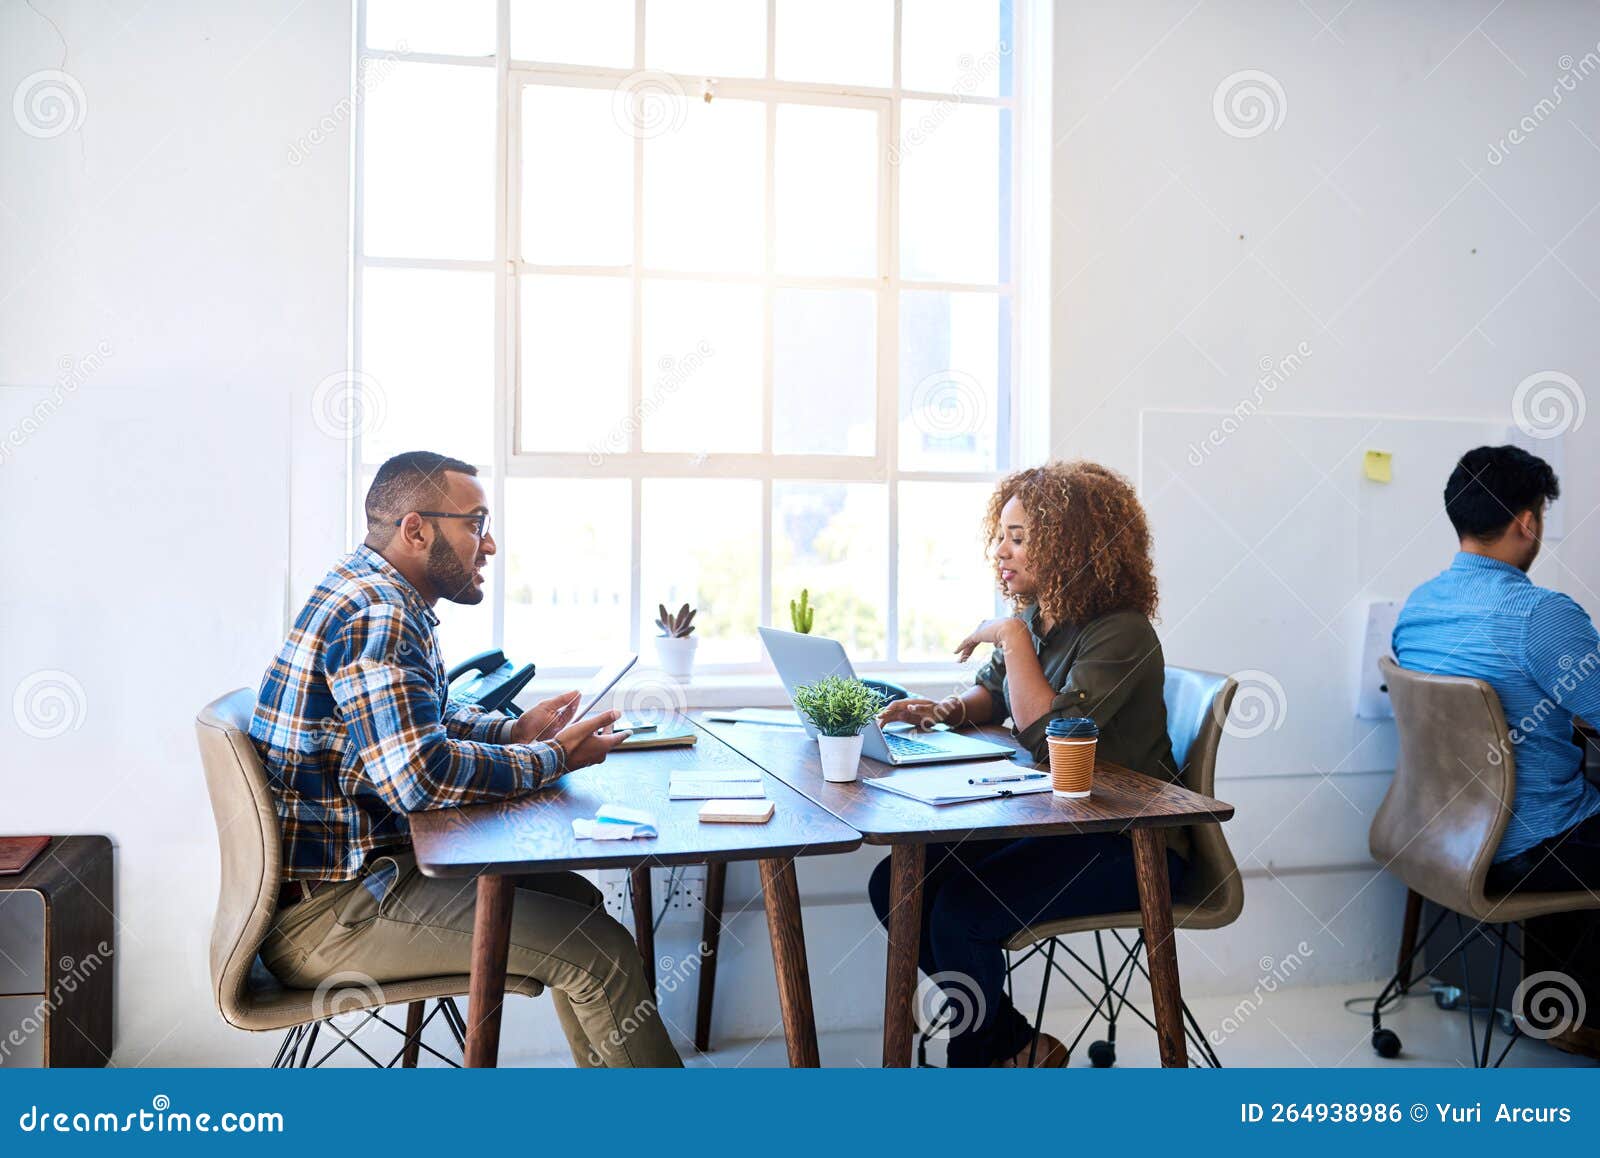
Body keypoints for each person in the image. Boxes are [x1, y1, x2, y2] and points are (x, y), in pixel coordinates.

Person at [250, 450, 681, 1067]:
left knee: (578, 905)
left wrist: (512, 735)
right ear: (416, 529)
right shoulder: (379, 614)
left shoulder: (371, 591)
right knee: (599, 950)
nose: (490, 544)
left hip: (358, 881)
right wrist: (553, 756)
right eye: (475, 523)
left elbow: (414, 722)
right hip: (330, 919)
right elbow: (418, 779)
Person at [869, 460, 1184, 1067]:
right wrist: (946, 710)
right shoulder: (1044, 615)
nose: (1000, 551)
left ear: (1073, 546)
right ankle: (1011, 1044)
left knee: (961, 913)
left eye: (1019, 538)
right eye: (1001, 535)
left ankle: (982, 1065)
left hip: (1131, 841)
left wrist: (1011, 636)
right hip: (1057, 820)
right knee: (896, 885)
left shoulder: (1121, 633)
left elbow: (1048, 739)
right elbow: (996, 693)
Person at [1392, 444, 1600, 1049]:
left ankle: (1565, 1001)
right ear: (1527, 521)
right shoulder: (1541, 613)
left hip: (1442, 835)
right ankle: (1579, 1013)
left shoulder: (1419, 607)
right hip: (1525, 847)